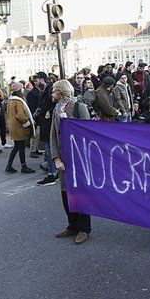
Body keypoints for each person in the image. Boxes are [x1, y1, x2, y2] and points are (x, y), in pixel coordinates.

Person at [49, 79, 92, 244]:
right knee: (65, 194)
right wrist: (56, 158)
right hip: (63, 159)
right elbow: (53, 135)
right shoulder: (56, 109)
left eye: (54, 91)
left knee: (80, 193)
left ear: (60, 92)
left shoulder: (79, 107)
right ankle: (72, 225)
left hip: (78, 158)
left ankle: (84, 228)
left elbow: (87, 133)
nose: (52, 94)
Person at [5, 82, 36, 174]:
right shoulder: (18, 101)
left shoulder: (11, 100)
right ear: (19, 90)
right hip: (19, 128)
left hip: (13, 127)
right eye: (22, 89)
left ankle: (10, 166)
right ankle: (23, 167)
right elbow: (21, 115)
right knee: (20, 147)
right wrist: (27, 123)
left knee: (17, 147)